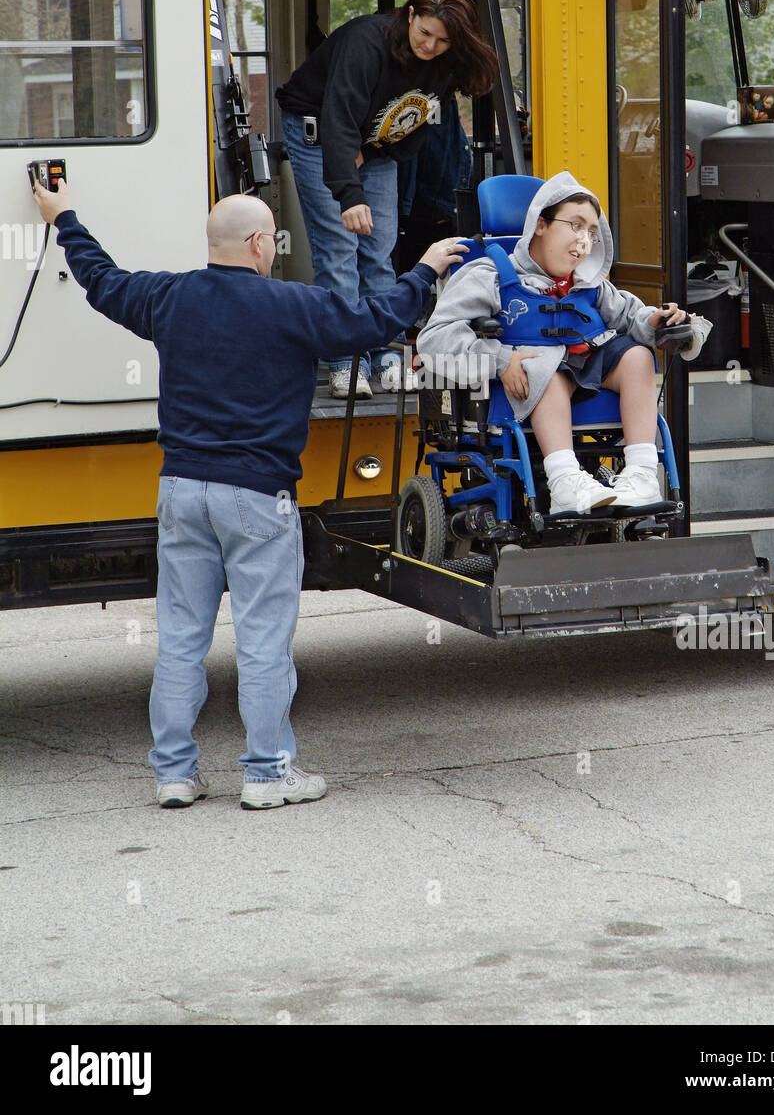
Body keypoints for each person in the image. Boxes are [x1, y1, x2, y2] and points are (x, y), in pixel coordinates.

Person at [32, 178, 465, 810]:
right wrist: (425, 271)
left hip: (181, 491)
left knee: (181, 639)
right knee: (263, 642)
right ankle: (266, 775)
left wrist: (63, 215)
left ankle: (175, 775)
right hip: (257, 498)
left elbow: (100, 277)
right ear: (260, 243)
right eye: (273, 241)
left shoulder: (167, 296)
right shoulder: (292, 305)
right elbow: (378, 320)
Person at [417, 171, 711, 514]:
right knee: (550, 371)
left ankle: (642, 476)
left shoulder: (589, 282)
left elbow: (630, 315)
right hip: (529, 380)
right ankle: (565, 483)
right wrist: (501, 359)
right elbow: (436, 337)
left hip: (585, 368)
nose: (584, 241)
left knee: (638, 357)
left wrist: (656, 321)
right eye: (575, 225)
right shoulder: (489, 274)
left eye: (591, 231)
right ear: (540, 224)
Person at [277, 0, 497, 397]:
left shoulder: (442, 64)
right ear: (409, 15)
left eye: (443, 40)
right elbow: (338, 118)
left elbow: (412, 120)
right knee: (339, 250)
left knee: (378, 253)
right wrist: (349, 193)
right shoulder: (366, 42)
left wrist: (373, 149)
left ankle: (384, 356)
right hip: (318, 131)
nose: (430, 46)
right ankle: (345, 362)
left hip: (373, 142)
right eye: (424, 33)